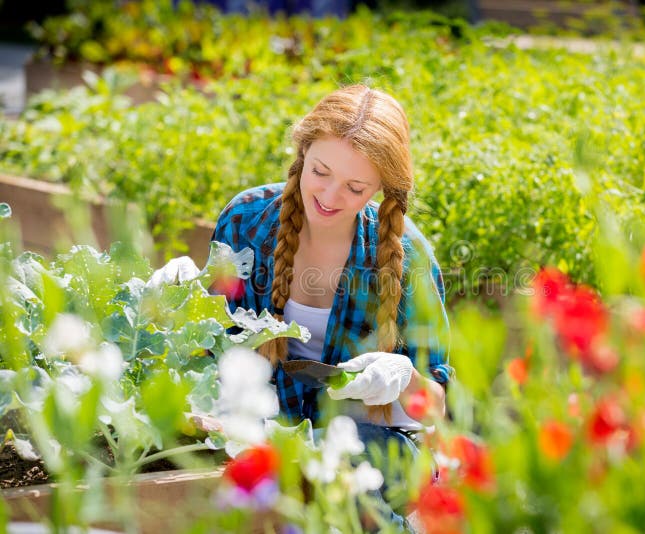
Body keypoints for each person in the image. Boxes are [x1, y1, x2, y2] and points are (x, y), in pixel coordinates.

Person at [151, 84, 452, 523]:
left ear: (382, 188)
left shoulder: (410, 256)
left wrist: (403, 380)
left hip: (370, 448)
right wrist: (174, 305)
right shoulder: (248, 220)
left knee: (341, 469)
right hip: (263, 431)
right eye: (320, 171)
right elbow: (210, 342)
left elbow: (438, 407)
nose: (330, 197)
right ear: (302, 151)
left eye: (354, 187)